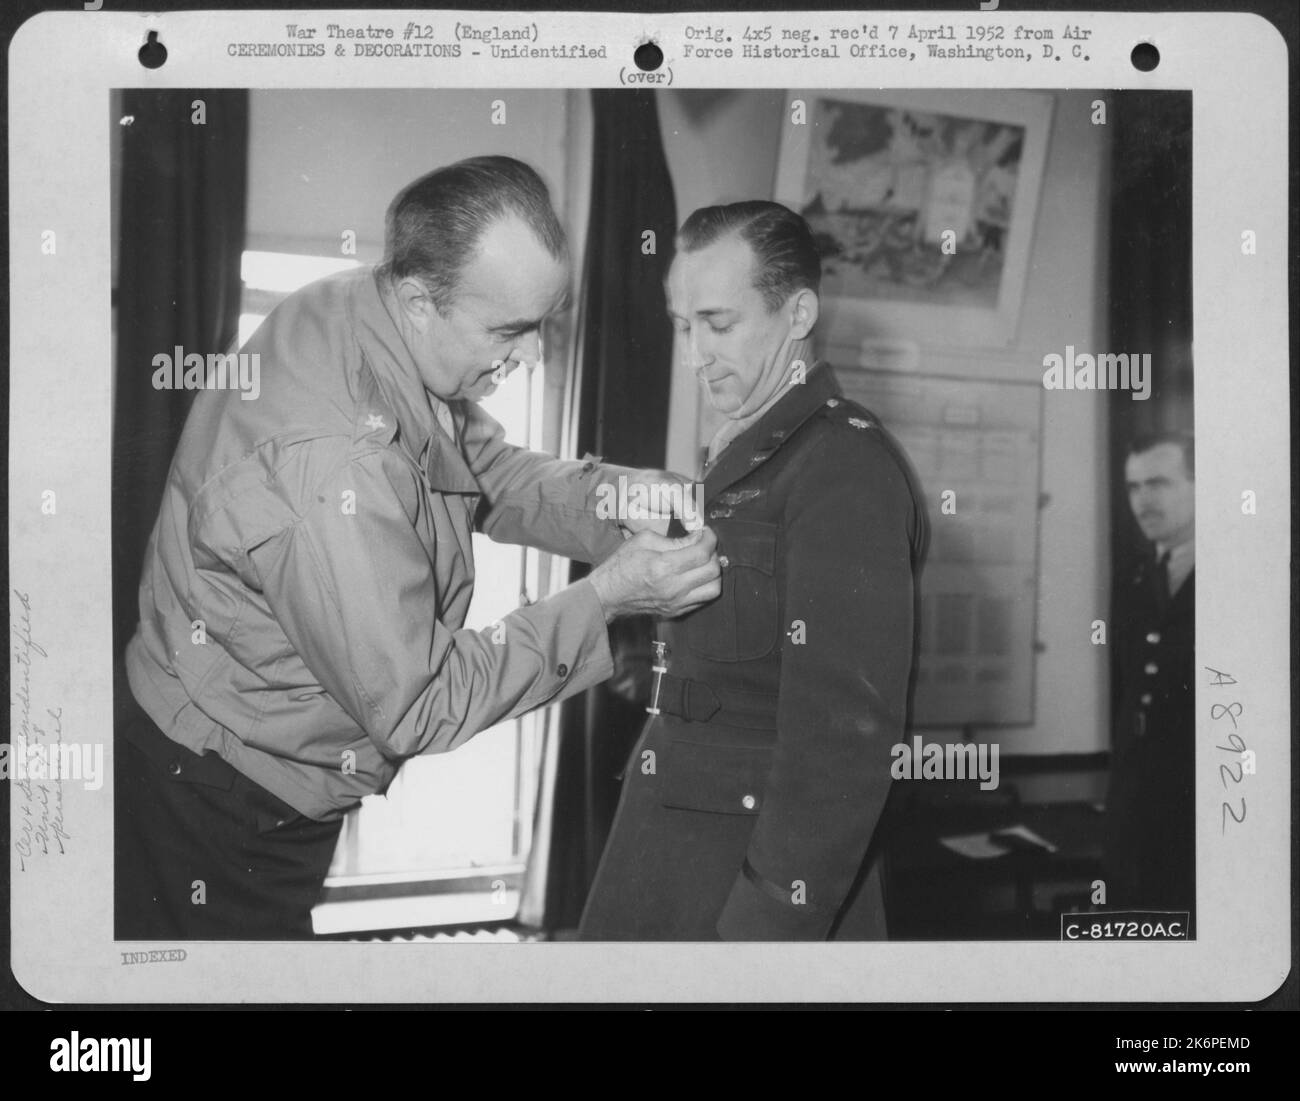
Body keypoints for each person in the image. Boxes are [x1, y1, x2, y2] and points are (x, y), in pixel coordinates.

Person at [116, 155, 721, 939]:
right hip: (219, 795)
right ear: (417, 300)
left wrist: (618, 496)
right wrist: (608, 598)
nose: (531, 356)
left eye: (542, 325)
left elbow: (485, 471)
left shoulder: (357, 307)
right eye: (510, 330)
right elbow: (420, 701)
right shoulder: (337, 465)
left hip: (246, 752)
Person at [578, 201, 926, 940]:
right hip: (672, 845)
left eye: (718, 322)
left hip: (744, 879)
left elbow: (843, 736)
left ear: (798, 312)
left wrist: (769, 920)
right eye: (683, 325)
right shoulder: (747, 451)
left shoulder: (844, 466)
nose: (693, 353)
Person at [1103, 431, 1195, 916]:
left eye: (1158, 483)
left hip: (1199, 814)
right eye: (1134, 487)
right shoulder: (1138, 578)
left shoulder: (1234, 576)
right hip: (1137, 811)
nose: (1144, 500)